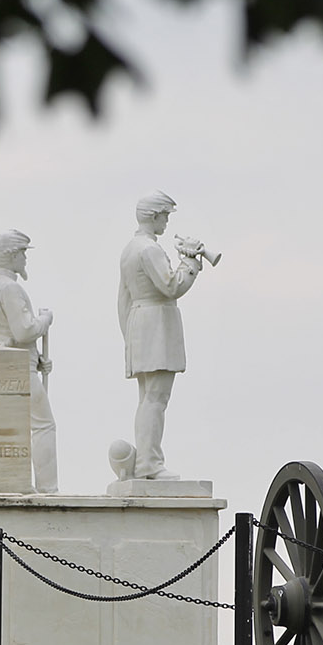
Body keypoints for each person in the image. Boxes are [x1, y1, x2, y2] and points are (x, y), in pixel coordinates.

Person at [117, 190, 206, 480]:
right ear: (154, 216)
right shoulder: (149, 250)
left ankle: (146, 460)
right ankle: (149, 464)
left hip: (139, 323)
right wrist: (190, 262)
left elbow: (123, 300)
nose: (167, 221)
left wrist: (128, 335)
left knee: (149, 398)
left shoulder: (130, 249)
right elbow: (171, 286)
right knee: (156, 398)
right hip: (156, 324)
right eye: (165, 215)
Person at [0, 229, 57, 493]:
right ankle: (48, 489)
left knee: (15, 428)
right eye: (23, 252)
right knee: (44, 425)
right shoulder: (10, 287)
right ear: (11, 255)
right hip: (19, 367)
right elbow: (24, 330)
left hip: (14, 363)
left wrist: (38, 360)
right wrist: (45, 320)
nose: (25, 258)